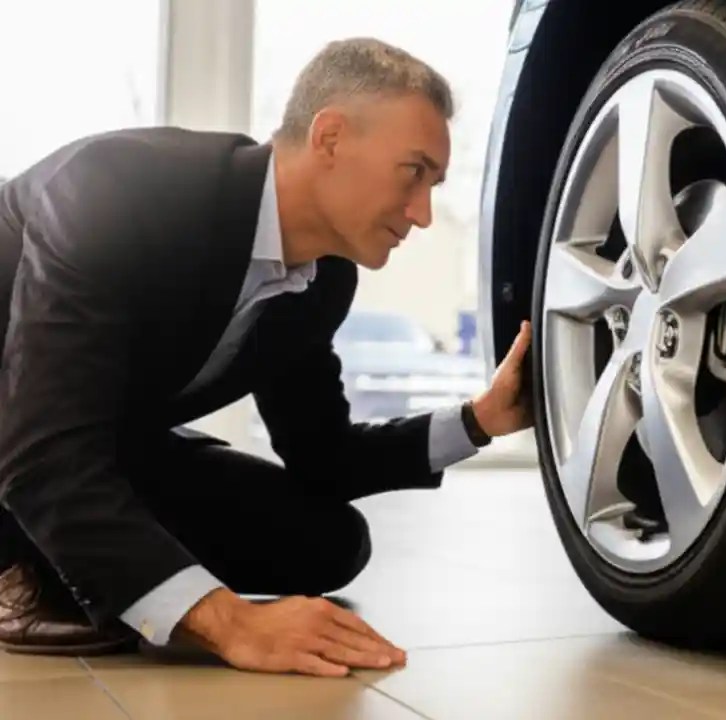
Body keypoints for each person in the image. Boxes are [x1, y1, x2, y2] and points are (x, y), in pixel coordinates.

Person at [0, 37, 532, 677]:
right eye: (414, 172)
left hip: (94, 444)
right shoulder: (121, 189)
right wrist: (228, 622)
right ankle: (35, 560)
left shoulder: (324, 280)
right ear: (330, 137)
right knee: (48, 472)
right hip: (25, 436)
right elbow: (43, 449)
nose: (422, 214)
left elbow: (323, 458)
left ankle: (73, 554)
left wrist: (478, 422)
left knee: (327, 544)